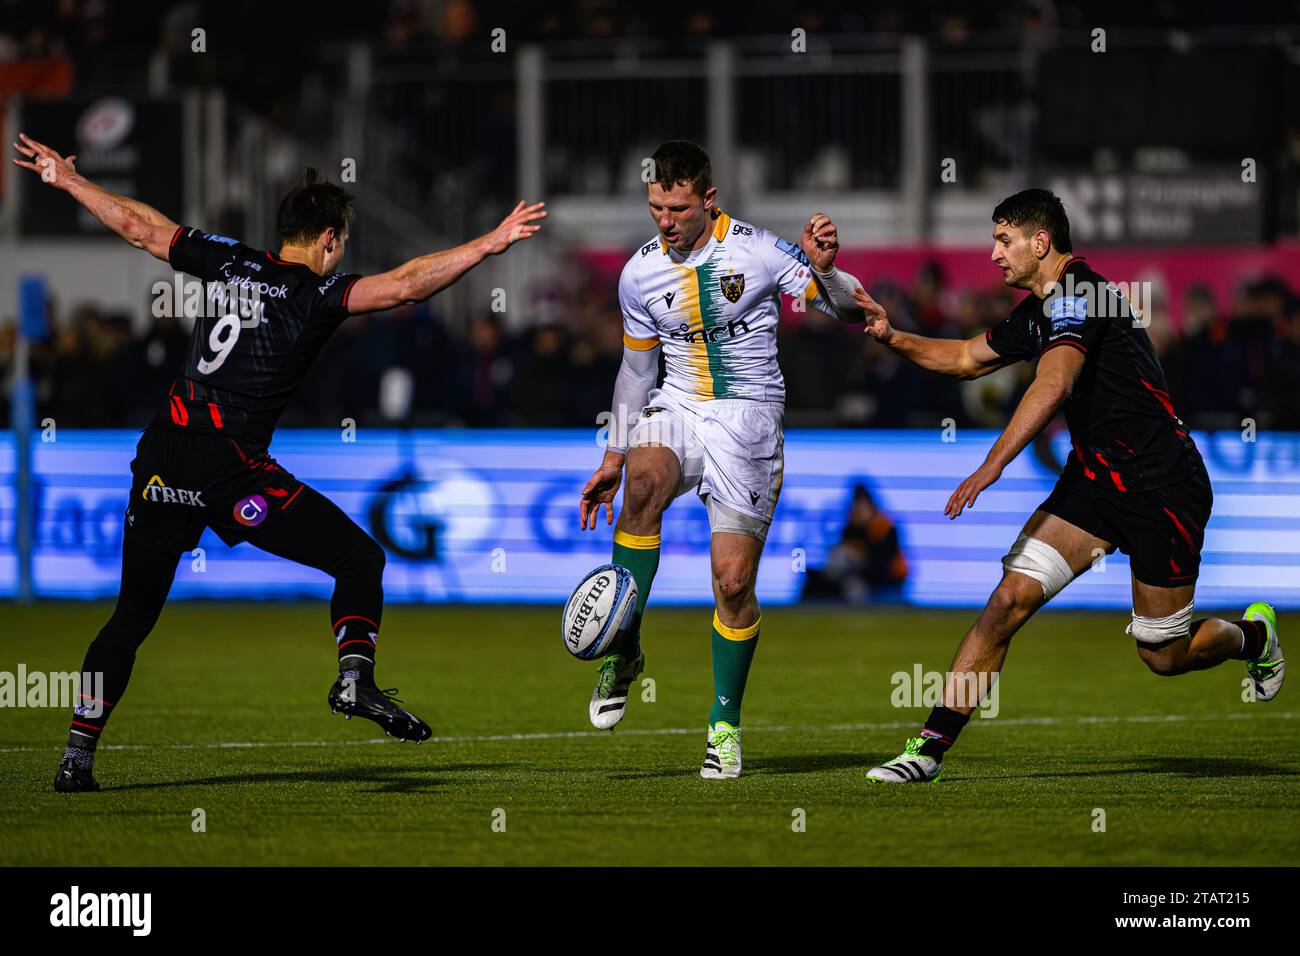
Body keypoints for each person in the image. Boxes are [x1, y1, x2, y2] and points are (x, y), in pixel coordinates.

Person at [12, 133, 545, 792]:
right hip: (230, 467)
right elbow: (405, 287)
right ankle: (355, 679)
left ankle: (76, 758)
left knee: (130, 618)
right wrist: (488, 245)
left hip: (162, 456)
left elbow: (141, 228)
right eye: (341, 241)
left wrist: (69, 181)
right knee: (359, 560)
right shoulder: (313, 296)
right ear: (327, 238)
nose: (341, 252)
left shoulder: (228, 260)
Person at [852, 188, 1283, 783]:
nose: (994, 256)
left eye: (1004, 241)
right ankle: (927, 750)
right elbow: (965, 359)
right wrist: (891, 336)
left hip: (1164, 487)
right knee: (1007, 603)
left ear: (1040, 242)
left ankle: (1252, 638)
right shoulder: (1038, 309)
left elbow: (1052, 385)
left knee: (1163, 654)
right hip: (1095, 484)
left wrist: (991, 465)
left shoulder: (1083, 295)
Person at [577, 140, 864, 779]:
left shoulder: (760, 251)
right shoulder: (638, 273)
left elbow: (849, 311)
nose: (665, 221)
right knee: (643, 487)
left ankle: (724, 725)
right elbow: (635, 367)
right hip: (676, 406)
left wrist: (825, 270)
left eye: (677, 208)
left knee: (732, 585)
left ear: (708, 199)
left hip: (749, 421)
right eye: (656, 207)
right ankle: (622, 651)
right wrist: (616, 453)